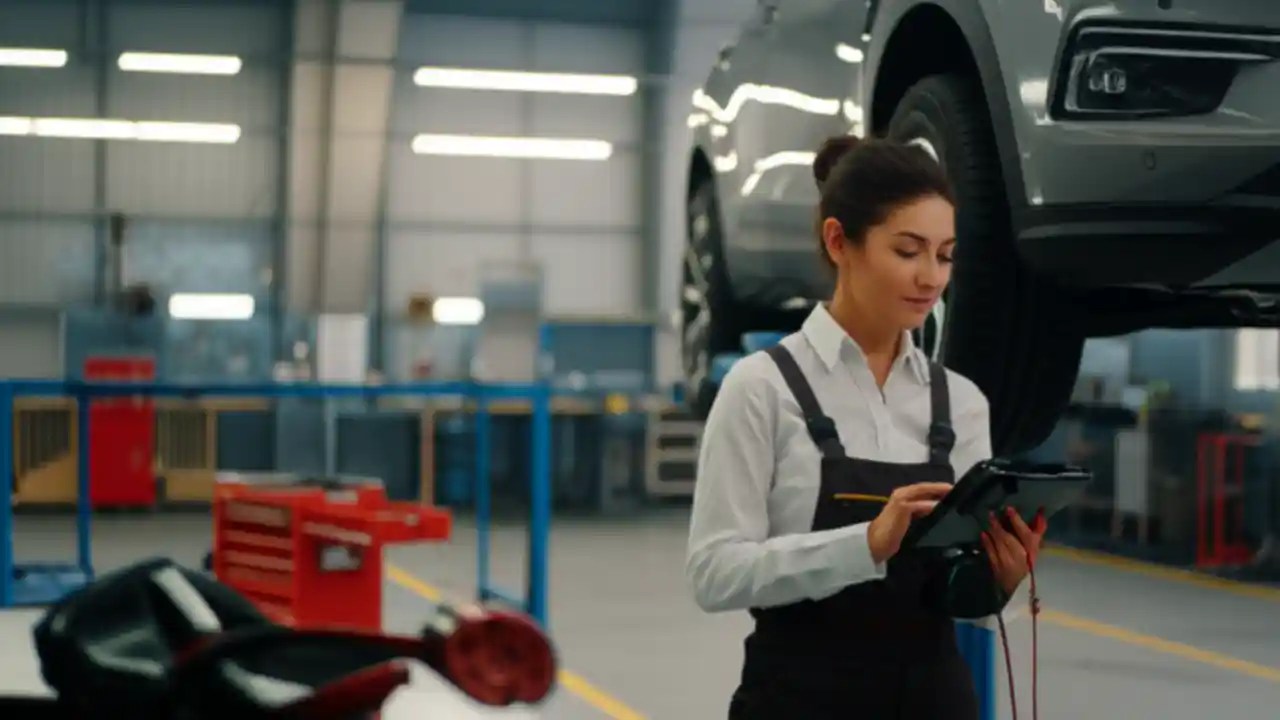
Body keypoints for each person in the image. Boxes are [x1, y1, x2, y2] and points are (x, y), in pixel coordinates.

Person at [685, 134, 1048, 720]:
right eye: (908, 251)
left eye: (945, 255)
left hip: (936, 701)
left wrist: (999, 581)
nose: (931, 277)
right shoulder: (762, 389)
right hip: (799, 701)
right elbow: (714, 573)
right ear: (839, 242)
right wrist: (866, 544)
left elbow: (967, 599)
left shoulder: (961, 403)